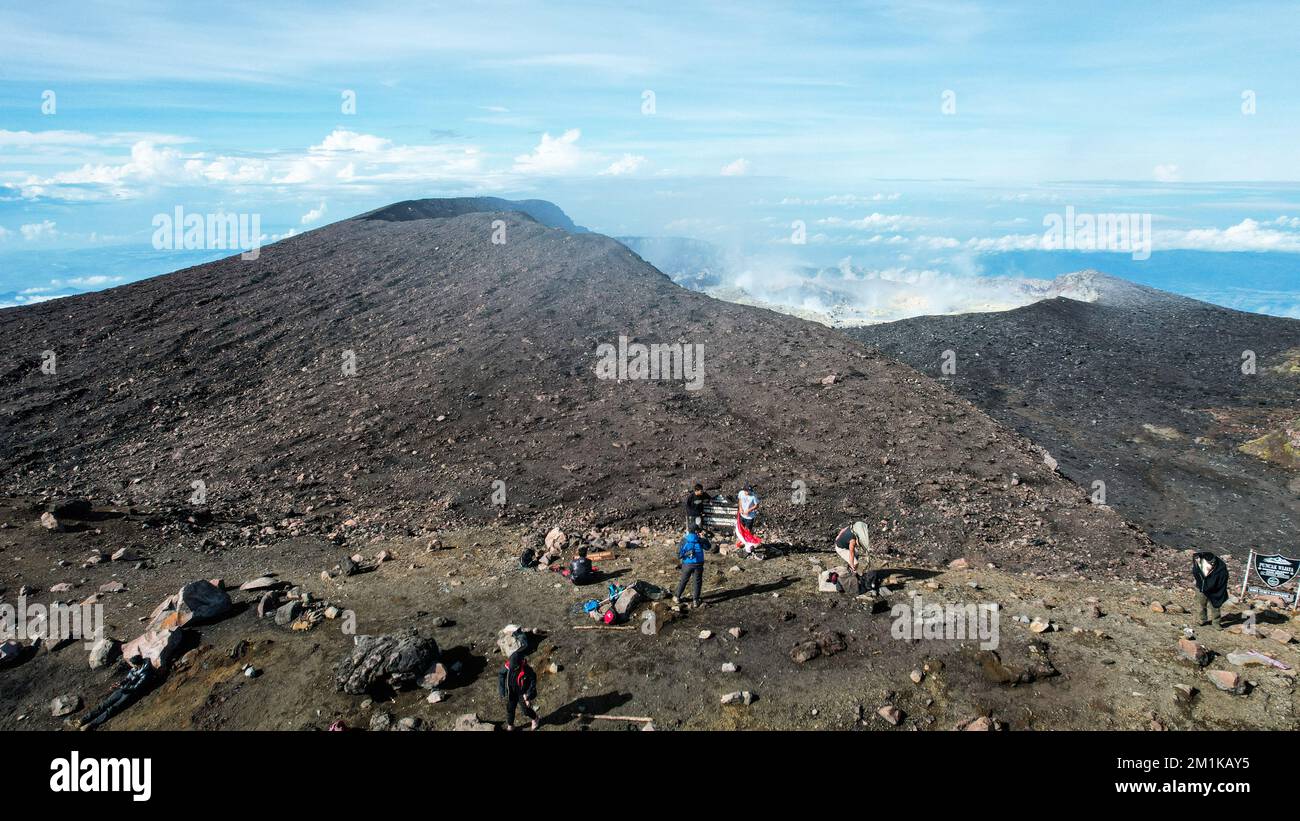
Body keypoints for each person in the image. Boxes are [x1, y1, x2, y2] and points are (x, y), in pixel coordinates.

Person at [75, 654, 157, 731]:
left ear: (138, 664)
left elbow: (136, 687)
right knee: (104, 704)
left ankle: (91, 724)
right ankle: (83, 720)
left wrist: (124, 688)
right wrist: (120, 683)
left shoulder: (146, 674)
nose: (132, 666)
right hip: (123, 689)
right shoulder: (135, 668)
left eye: (133, 664)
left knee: (112, 709)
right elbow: (128, 678)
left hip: (130, 693)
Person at [498, 650, 539, 731]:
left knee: (526, 710)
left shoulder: (527, 669)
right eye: (511, 667)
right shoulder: (509, 665)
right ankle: (510, 725)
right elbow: (501, 674)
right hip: (512, 690)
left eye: (515, 668)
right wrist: (502, 690)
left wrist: (528, 695)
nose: (512, 669)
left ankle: (535, 718)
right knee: (510, 708)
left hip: (522, 692)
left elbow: (533, 681)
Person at [1192, 550, 1229, 629]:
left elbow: (1223, 580)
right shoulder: (1199, 562)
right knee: (1201, 604)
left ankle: (1216, 623)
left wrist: (1218, 590)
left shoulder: (1221, 567)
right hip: (1201, 588)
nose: (1210, 564)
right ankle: (1202, 620)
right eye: (1208, 563)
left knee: (1215, 607)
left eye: (1212, 563)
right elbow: (1196, 572)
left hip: (1215, 589)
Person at [674, 526, 709, 608]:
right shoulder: (700, 540)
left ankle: (676, 597)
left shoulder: (684, 540)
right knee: (697, 582)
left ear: (689, 531)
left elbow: (678, 555)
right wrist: (705, 538)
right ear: (697, 531)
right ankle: (696, 601)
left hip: (687, 564)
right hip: (698, 564)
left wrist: (687, 553)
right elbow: (708, 547)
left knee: (683, 580)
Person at [736, 485, 761, 555]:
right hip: (742, 515)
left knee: (748, 530)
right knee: (741, 528)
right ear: (744, 490)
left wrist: (749, 510)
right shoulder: (741, 493)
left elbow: (757, 505)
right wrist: (740, 508)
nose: (748, 492)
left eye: (749, 491)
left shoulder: (753, 496)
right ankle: (741, 541)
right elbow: (740, 500)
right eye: (746, 491)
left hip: (750, 517)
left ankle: (748, 543)